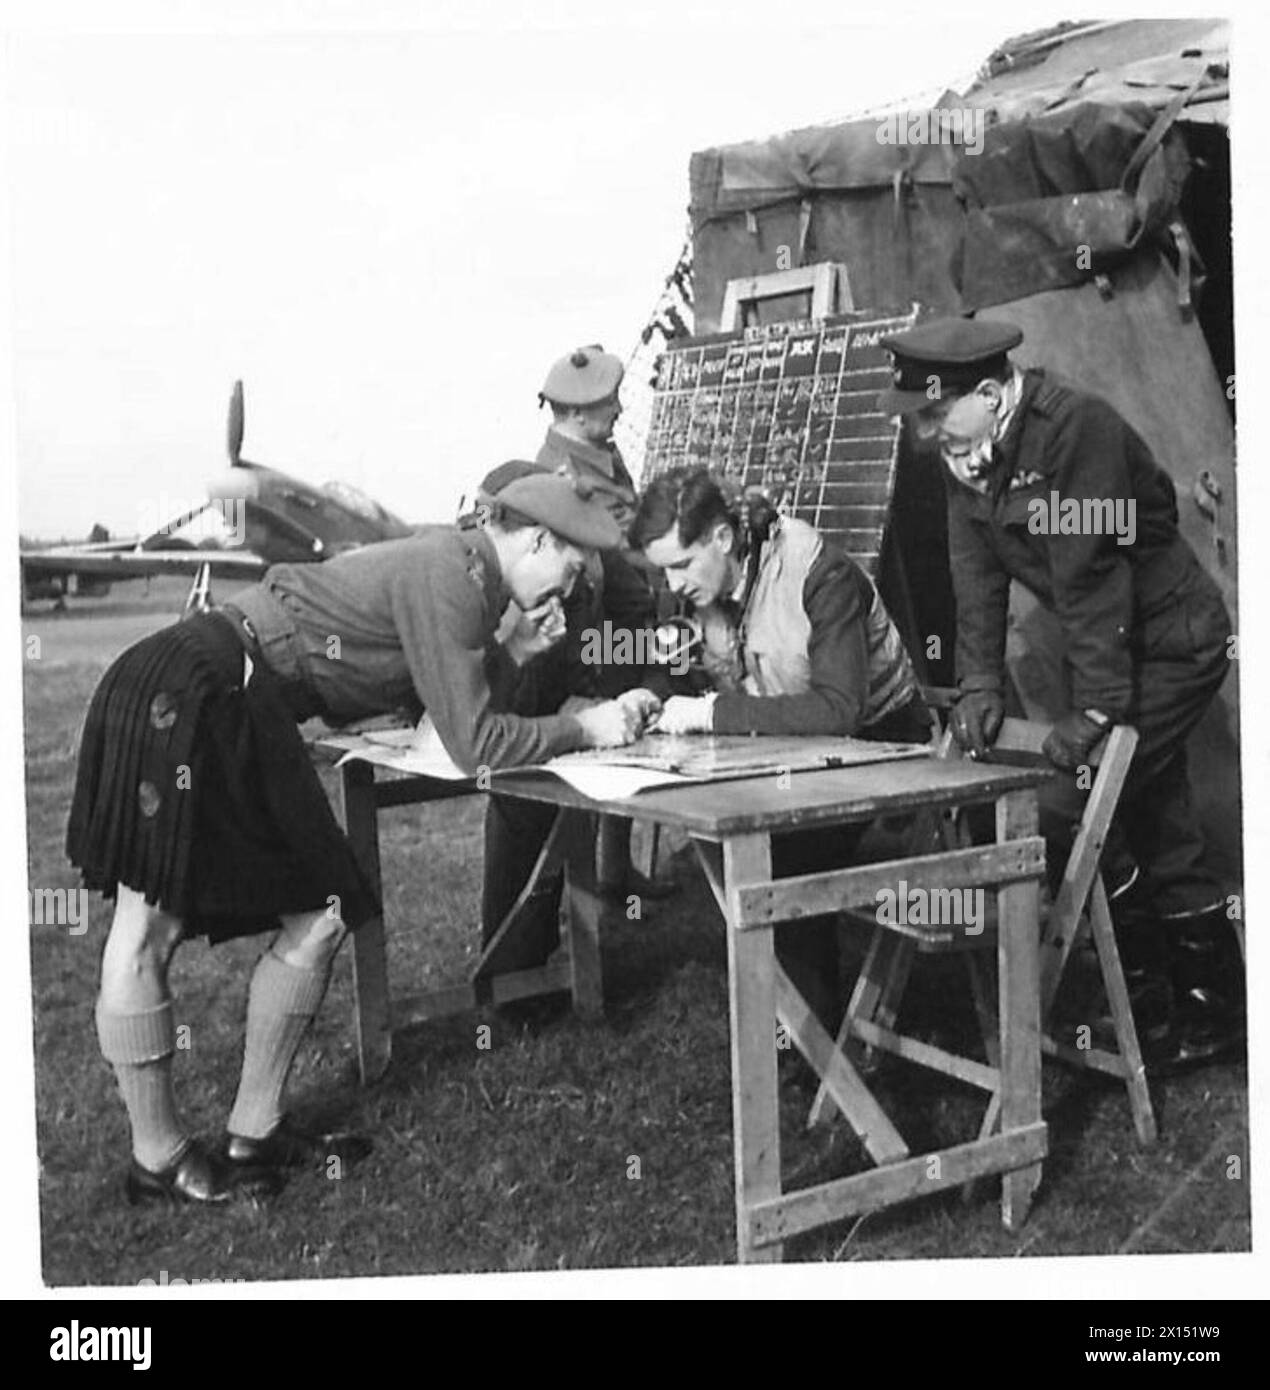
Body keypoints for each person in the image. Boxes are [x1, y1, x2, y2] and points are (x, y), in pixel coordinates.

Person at [67, 469, 643, 1205]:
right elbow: (477, 744)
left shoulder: (460, 568)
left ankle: (254, 1132)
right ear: (536, 540)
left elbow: (448, 704)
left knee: (319, 913)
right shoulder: (452, 573)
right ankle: (157, 1161)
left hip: (219, 686)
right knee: (150, 929)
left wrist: (518, 653)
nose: (569, 590)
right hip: (197, 687)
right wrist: (583, 727)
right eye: (570, 570)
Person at [877, 315, 1244, 1069]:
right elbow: (974, 571)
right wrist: (980, 681)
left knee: (1082, 801)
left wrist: (1100, 709)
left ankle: (1172, 1001)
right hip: (1112, 647)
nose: (925, 433)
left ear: (988, 393)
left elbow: (1091, 575)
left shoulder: (1076, 431)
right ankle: (1190, 1005)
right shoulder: (968, 453)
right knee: (1149, 805)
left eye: (936, 413)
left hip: (1172, 642)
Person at [628, 468, 928, 1031]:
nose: (673, 584)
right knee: (730, 830)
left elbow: (838, 710)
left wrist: (711, 713)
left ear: (722, 538)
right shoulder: (700, 585)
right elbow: (673, 661)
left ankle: (806, 1041)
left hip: (882, 744)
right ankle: (787, 1021)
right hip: (790, 747)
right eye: (663, 569)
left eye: (682, 564)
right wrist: (648, 693)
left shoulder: (821, 574)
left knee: (784, 848)